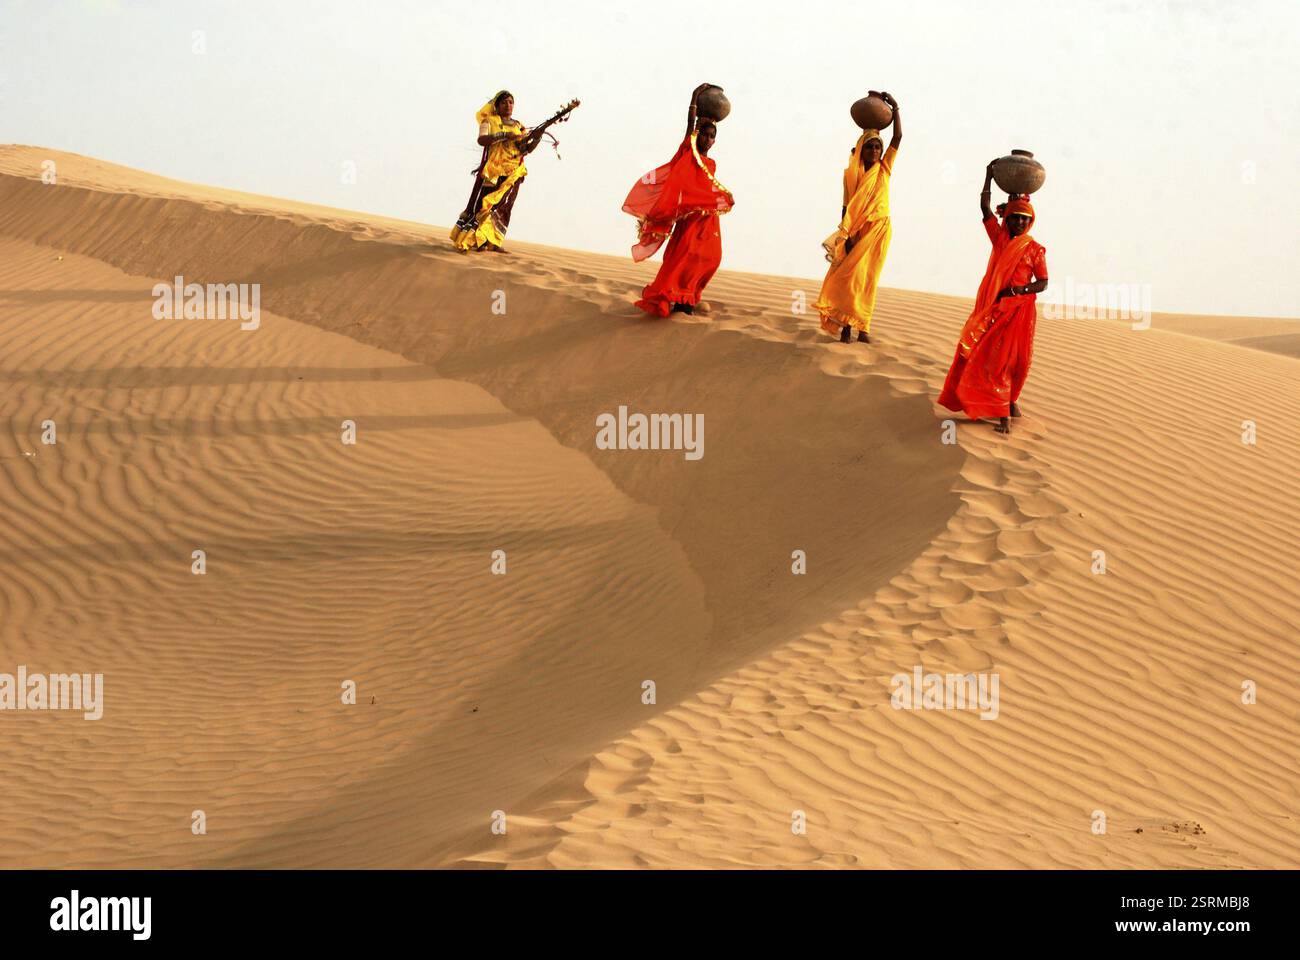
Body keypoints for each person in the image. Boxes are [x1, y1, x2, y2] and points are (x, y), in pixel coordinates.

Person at [937, 162, 1049, 434]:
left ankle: (1005, 413)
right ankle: (1001, 406)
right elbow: (985, 209)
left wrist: (1019, 291)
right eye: (1015, 217)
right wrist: (988, 176)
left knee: (1008, 361)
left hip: (1018, 313)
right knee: (980, 354)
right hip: (992, 308)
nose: (1020, 222)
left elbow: (1043, 282)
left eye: (1024, 218)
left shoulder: (1034, 249)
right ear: (1007, 219)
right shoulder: (999, 239)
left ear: (1030, 220)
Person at [622, 84, 735, 317]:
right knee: (684, 256)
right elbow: (690, 125)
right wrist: (695, 96)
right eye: (705, 134)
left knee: (710, 258)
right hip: (690, 217)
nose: (709, 139)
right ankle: (678, 298)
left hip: (708, 219)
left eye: (712, 136)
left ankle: (690, 296)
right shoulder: (689, 150)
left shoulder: (710, 162)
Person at [816, 91, 902, 344]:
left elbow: (897, 137)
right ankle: (845, 325)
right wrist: (847, 236)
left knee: (868, 278)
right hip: (856, 231)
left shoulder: (884, 169)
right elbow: (846, 207)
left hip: (880, 229)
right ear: (861, 150)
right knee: (849, 277)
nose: (874, 151)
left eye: (878, 147)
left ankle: (863, 326)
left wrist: (895, 108)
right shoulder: (850, 175)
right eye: (870, 147)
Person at [451, 90, 528, 253]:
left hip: (512, 172)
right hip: (493, 171)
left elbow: (524, 149)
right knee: (485, 206)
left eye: (511, 102)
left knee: (503, 208)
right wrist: (504, 135)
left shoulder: (519, 125)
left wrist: (536, 138)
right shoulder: (489, 121)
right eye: (504, 102)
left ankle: (493, 242)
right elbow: (482, 140)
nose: (508, 105)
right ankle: (473, 241)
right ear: (497, 106)